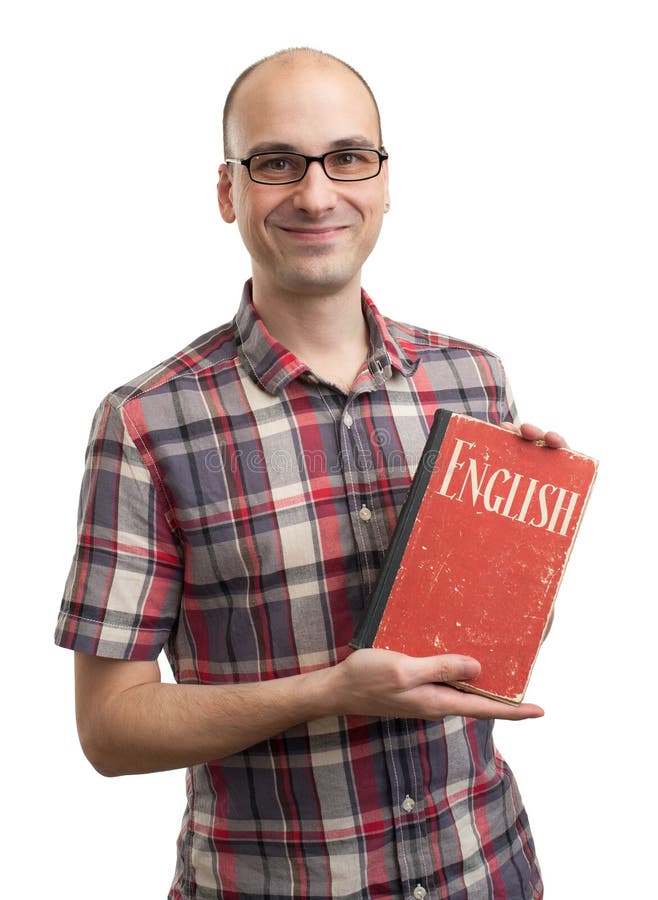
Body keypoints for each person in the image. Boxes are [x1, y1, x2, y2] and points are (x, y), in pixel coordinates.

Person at [56, 48, 566, 899]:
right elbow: (109, 730)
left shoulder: (473, 381)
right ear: (228, 191)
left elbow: (500, 647)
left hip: (487, 869)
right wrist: (330, 690)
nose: (318, 194)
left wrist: (523, 551)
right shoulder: (144, 424)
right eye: (277, 163)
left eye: (348, 157)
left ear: (385, 181)